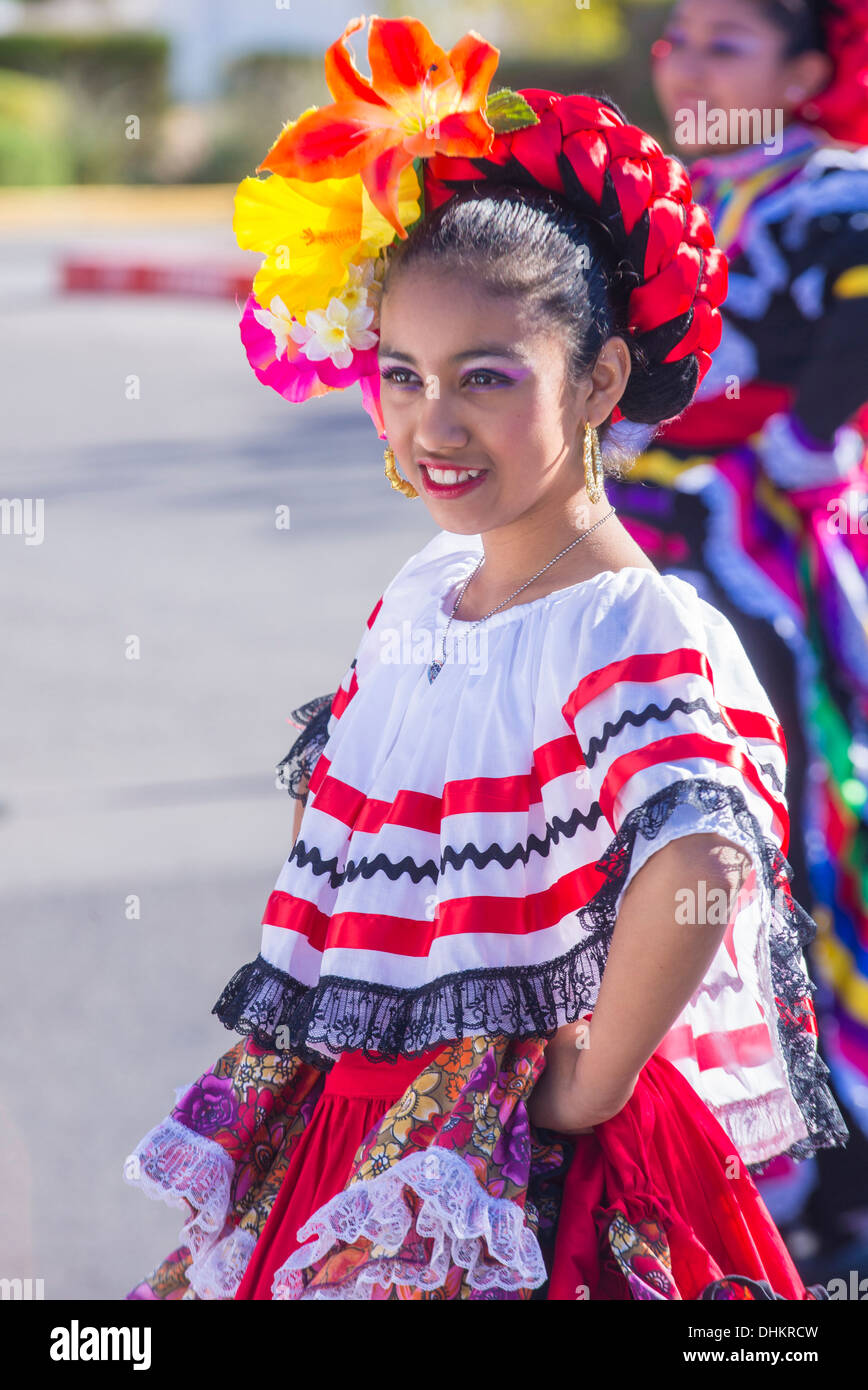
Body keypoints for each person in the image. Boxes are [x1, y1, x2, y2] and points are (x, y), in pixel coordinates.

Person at [122, 14, 847, 1301]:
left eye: (489, 379)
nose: (432, 422)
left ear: (602, 377)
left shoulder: (632, 619)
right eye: (401, 374)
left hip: (521, 1162)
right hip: (354, 1110)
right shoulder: (425, 586)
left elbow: (701, 852)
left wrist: (596, 1074)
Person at [606, 0, 868, 1258]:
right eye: (676, 40)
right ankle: (668, 1144)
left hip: (768, 562)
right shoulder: (637, 196)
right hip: (631, 558)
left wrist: (808, 426)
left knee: (775, 832)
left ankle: (819, 1151)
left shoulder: (833, 189)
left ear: (809, 69)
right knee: (633, 854)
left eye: (728, 42)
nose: (688, 65)